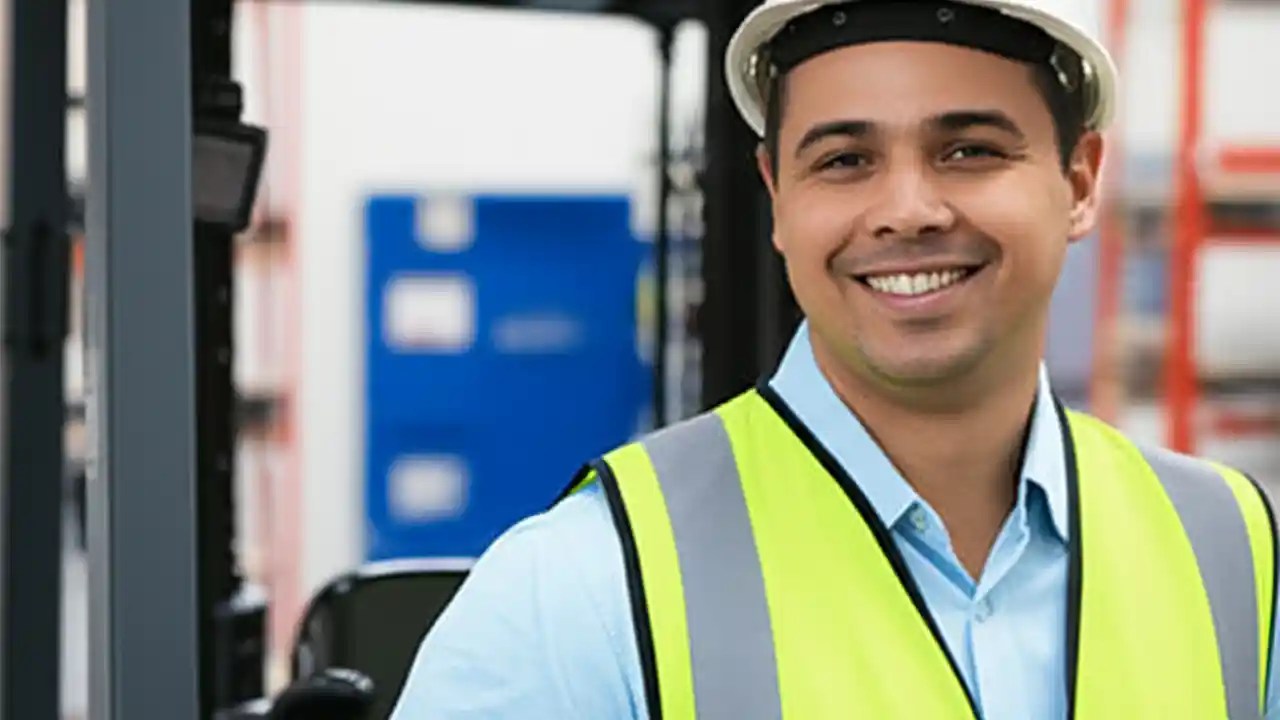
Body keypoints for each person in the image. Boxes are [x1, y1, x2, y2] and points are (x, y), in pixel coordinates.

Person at [389, 1, 1280, 717]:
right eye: (846, 159)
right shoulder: (582, 587)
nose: (906, 210)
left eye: (968, 150)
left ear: (1079, 182)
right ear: (778, 199)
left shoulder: (1232, 552)